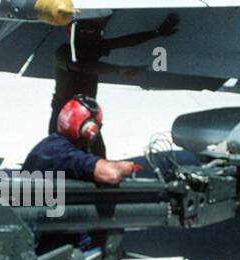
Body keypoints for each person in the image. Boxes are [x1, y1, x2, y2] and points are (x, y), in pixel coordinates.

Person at [49, 14, 179, 157]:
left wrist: (157, 33)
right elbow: (82, 66)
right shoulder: (63, 52)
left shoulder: (93, 49)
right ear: (71, 33)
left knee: (98, 157)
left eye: (92, 32)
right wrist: (118, 69)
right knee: (59, 159)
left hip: (86, 114)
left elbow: (125, 41)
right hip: (63, 115)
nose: (88, 37)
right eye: (83, 32)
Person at [23, 94, 142, 184]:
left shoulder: (51, 144)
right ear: (90, 129)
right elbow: (111, 174)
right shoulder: (67, 154)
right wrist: (122, 167)